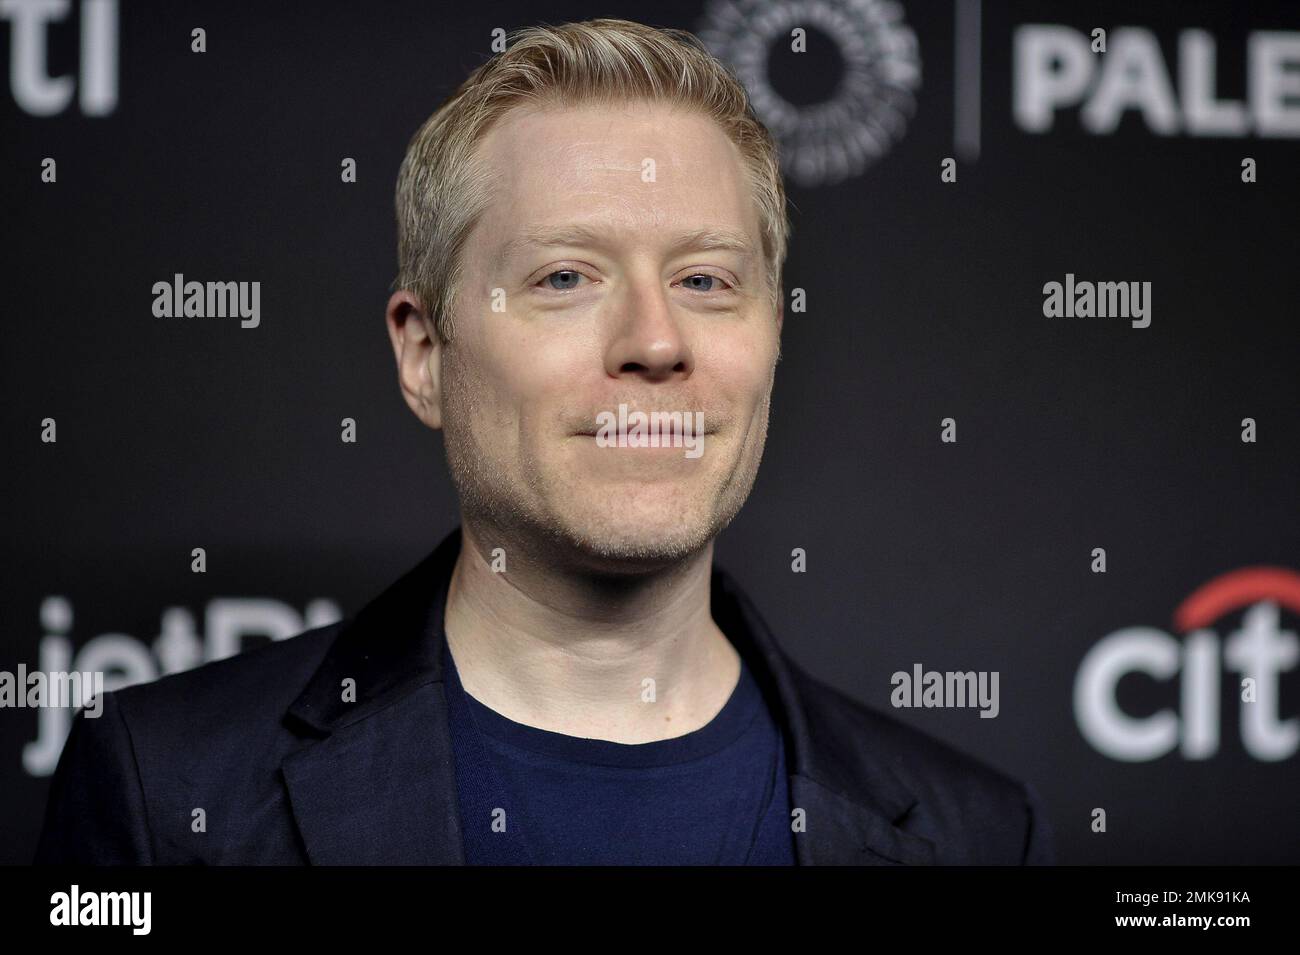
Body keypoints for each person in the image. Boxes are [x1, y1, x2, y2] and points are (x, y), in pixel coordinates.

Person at [34, 17, 1053, 865]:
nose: (655, 341)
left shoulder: (975, 834)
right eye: (565, 277)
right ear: (425, 354)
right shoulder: (166, 793)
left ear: (772, 338)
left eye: (704, 280)